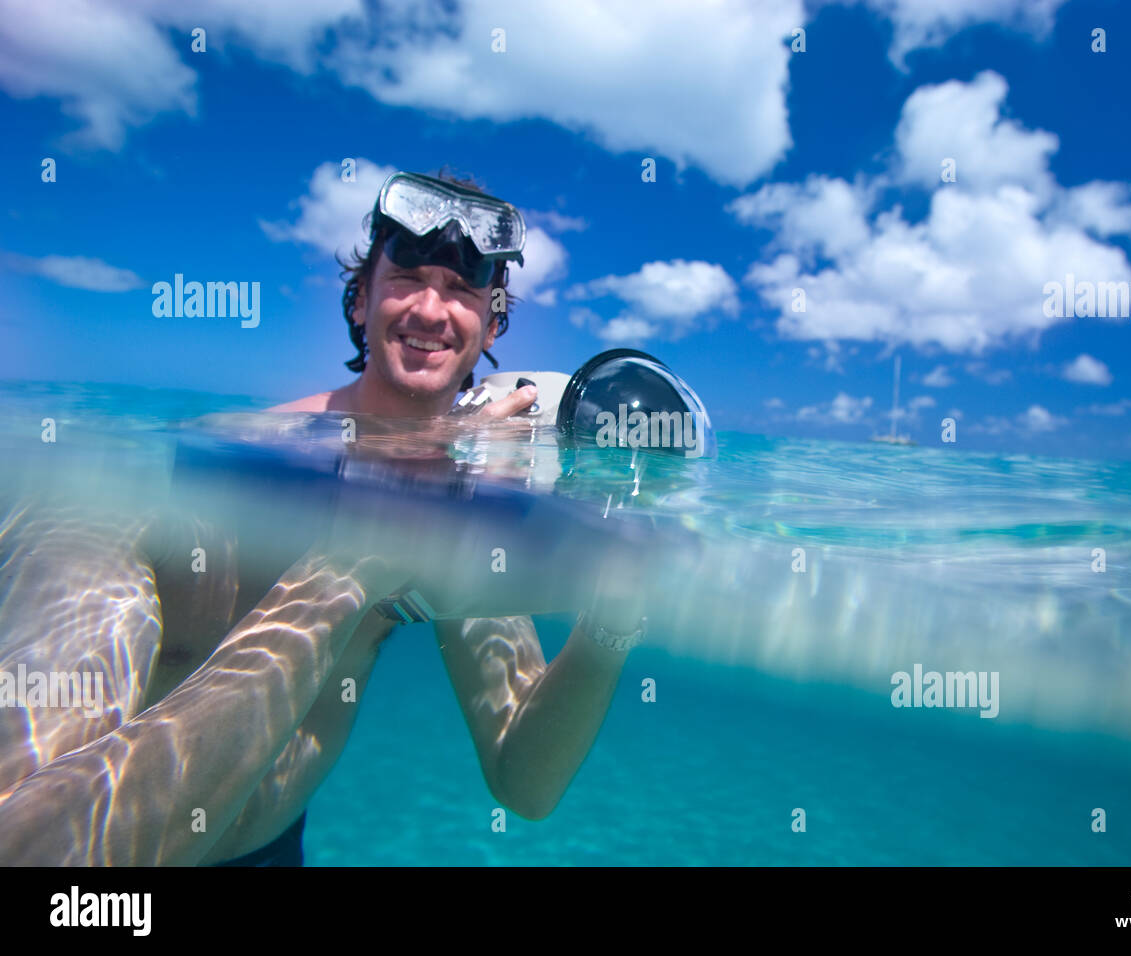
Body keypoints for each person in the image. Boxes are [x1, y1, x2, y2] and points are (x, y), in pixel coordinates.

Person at [0, 169, 647, 865]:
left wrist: (612, 623)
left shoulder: (461, 502)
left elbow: (525, 780)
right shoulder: (170, 481)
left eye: (461, 290)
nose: (431, 310)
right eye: (405, 277)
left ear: (490, 327)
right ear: (359, 299)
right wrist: (365, 551)